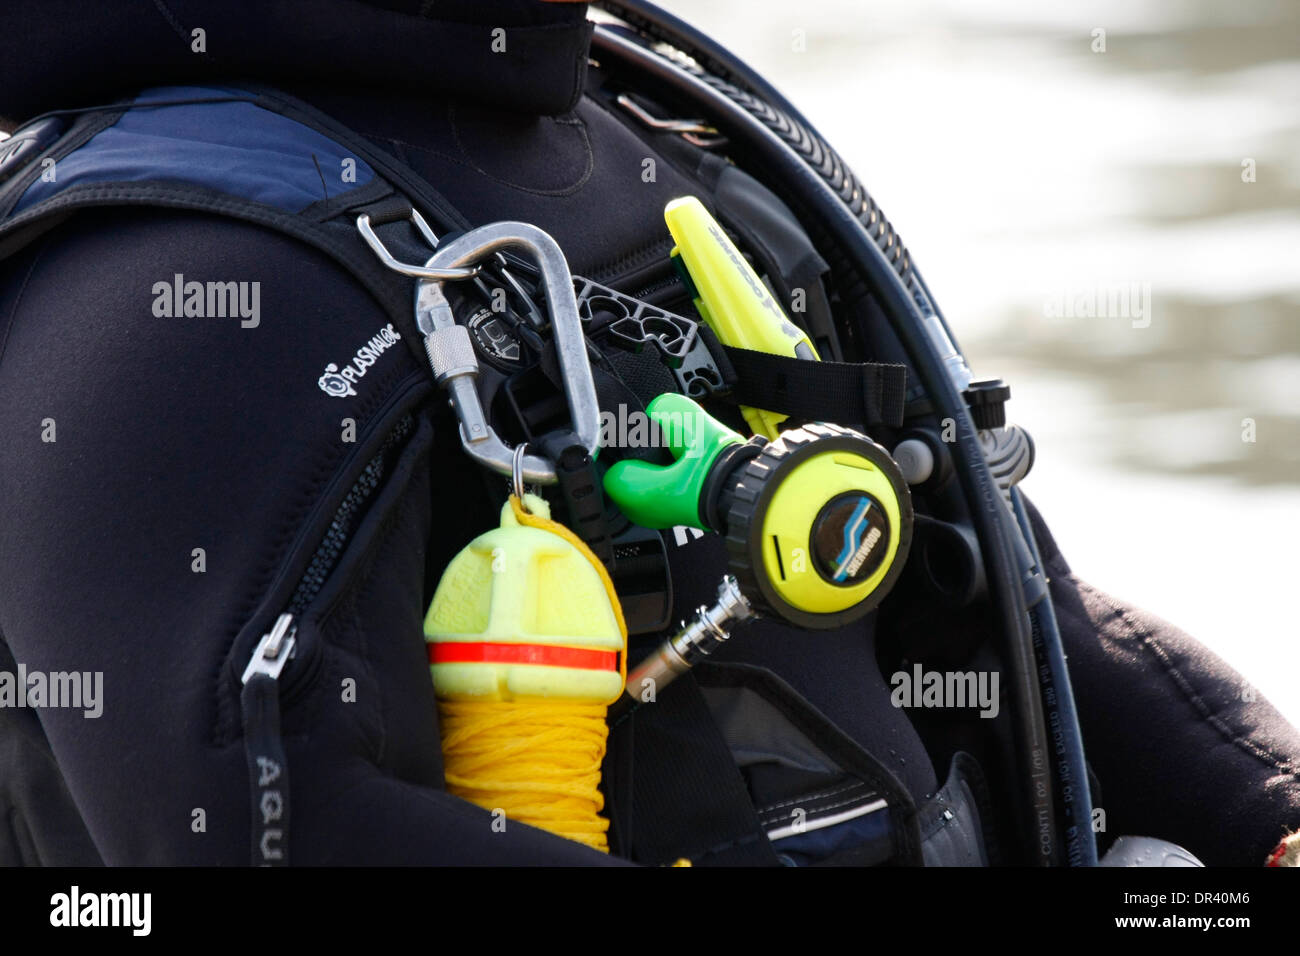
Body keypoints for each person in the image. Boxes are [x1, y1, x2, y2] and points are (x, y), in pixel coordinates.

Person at [0, 0, 1296, 867]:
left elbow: (988, 584)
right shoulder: (173, 307)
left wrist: (1260, 821)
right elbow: (256, 827)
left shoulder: (643, 132)